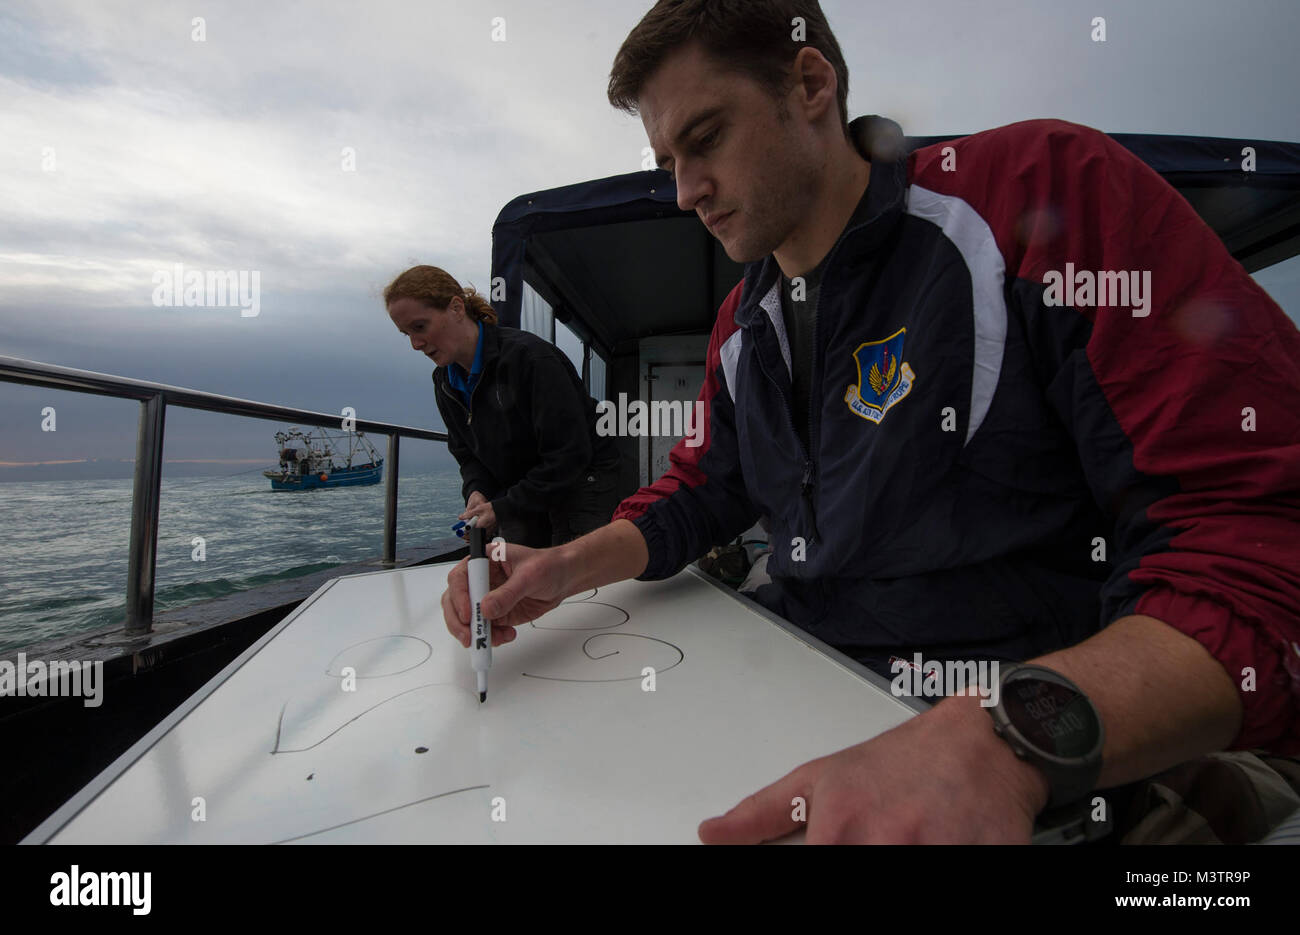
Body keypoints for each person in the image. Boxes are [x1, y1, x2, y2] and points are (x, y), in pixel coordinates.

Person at [440, 0, 1300, 843]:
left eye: (704, 140)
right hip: (810, 679)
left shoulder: (1046, 194)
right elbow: (703, 487)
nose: (682, 191)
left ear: (811, 82)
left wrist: (1001, 740)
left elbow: (1257, 534)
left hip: (1053, 734)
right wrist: (563, 564)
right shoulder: (743, 325)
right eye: (667, 159)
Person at [385, 265, 623, 547]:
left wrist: (502, 508)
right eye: (406, 334)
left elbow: (569, 455)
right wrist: (477, 492)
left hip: (584, 479)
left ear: (457, 308)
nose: (415, 344)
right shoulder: (444, 382)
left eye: (420, 326)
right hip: (526, 486)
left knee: (576, 580)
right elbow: (467, 454)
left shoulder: (530, 359)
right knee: (514, 568)